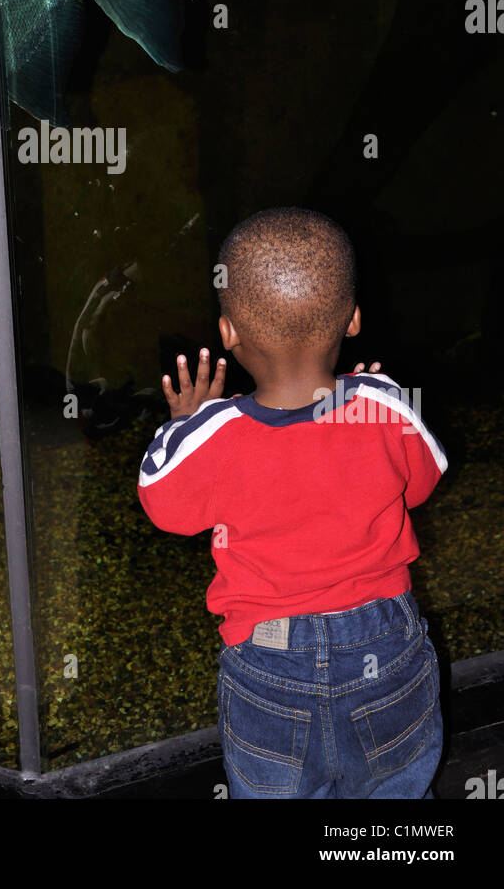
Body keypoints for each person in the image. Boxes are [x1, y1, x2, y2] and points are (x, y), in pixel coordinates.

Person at [137, 206, 447, 799]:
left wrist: (181, 423)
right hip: (385, 646)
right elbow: (424, 480)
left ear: (228, 333)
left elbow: (165, 507)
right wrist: (378, 400)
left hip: (270, 659)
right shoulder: (384, 403)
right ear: (352, 320)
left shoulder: (215, 433)